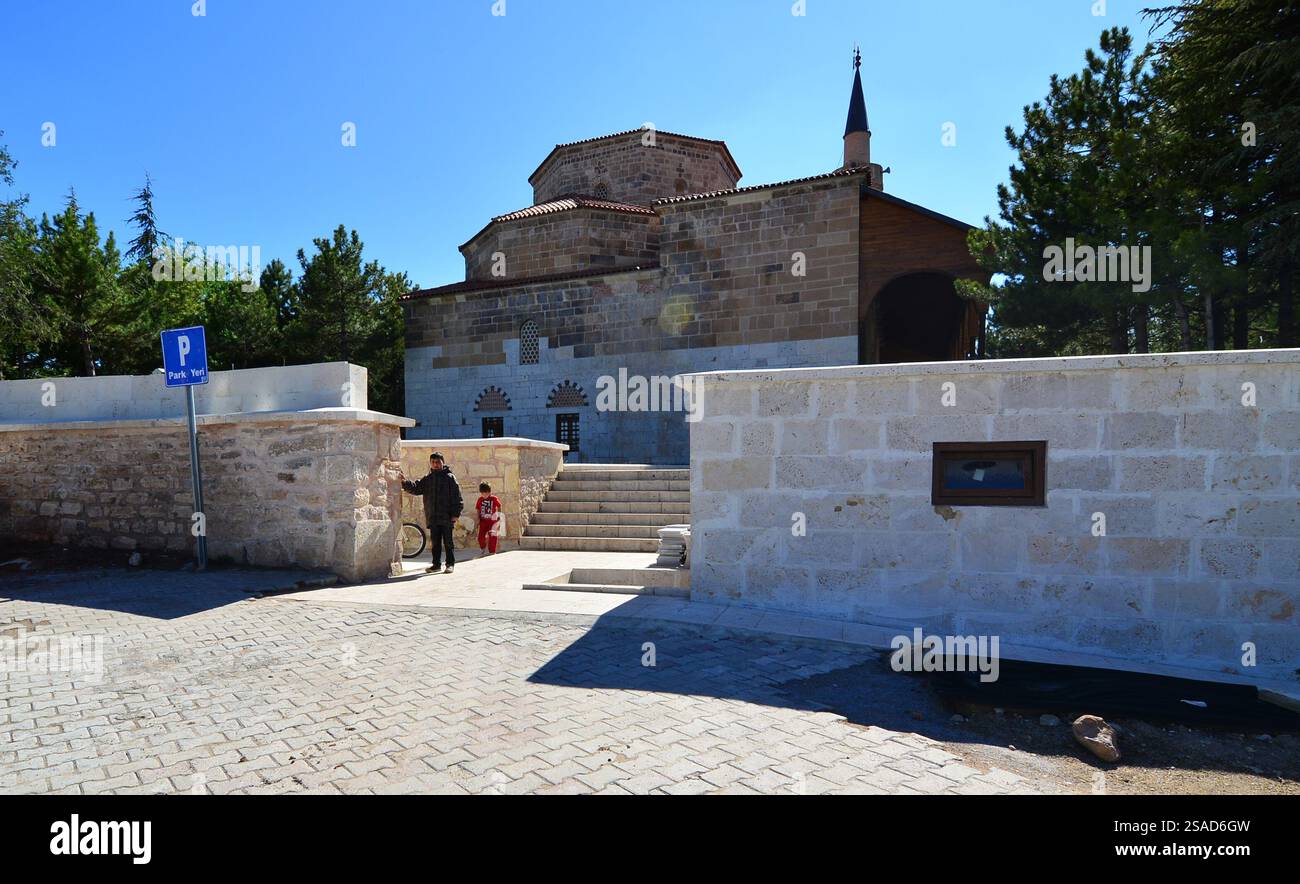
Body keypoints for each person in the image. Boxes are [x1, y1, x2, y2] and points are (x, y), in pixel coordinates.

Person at [400, 452, 463, 574]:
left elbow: (457, 497)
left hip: (447, 516)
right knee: (435, 543)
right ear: (431, 464)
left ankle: (450, 564)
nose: (435, 464)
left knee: (448, 542)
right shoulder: (428, 479)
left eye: (438, 462)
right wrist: (404, 482)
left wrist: (456, 514)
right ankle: (436, 565)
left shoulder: (450, 478)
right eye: (433, 462)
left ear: (442, 463)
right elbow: (416, 488)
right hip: (433, 516)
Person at [475, 482, 503, 556]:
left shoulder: (494, 498)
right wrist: (477, 518)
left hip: (492, 521)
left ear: (489, 492)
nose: (484, 495)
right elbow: (478, 509)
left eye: (486, 493)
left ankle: (492, 551)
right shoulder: (480, 499)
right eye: (482, 493)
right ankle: (483, 547)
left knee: (493, 536)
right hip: (483, 521)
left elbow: (499, 506)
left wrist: (498, 515)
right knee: (480, 537)